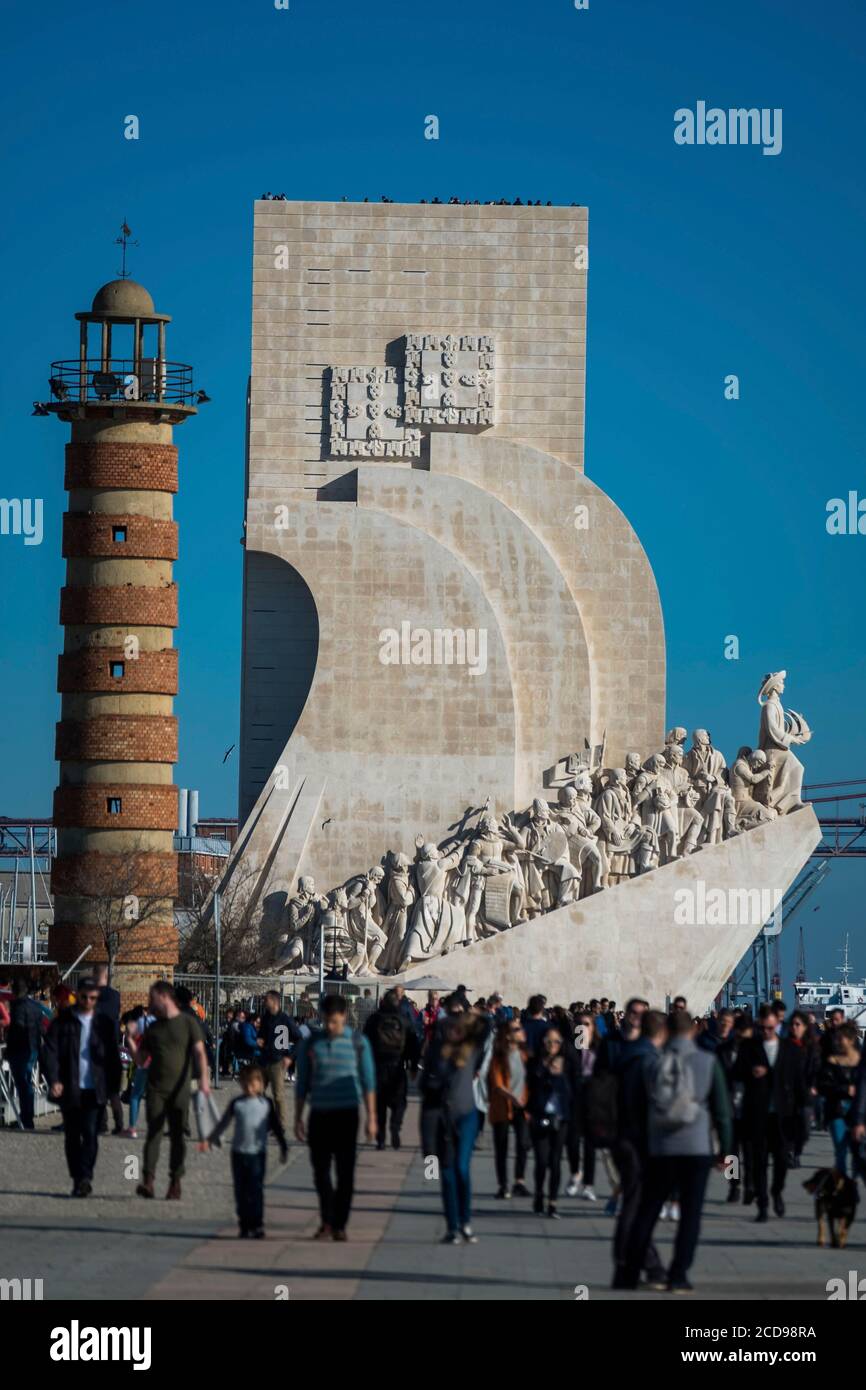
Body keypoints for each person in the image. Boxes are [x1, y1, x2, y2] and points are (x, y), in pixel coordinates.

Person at [623, 1009, 732, 1293]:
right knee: (690, 1215)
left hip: (660, 1148)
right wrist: (726, 1152)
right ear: (694, 1031)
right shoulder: (708, 1061)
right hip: (696, 1148)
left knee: (648, 1210)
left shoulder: (651, 1062)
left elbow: (636, 1108)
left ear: (667, 1031)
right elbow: (722, 1112)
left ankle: (633, 1271)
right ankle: (678, 1275)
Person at [294, 994, 376, 1241]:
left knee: (345, 1171)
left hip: (346, 1114)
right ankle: (326, 1219)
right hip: (319, 1113)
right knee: (320, 1171)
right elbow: (302, 1084)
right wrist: (298, 1117)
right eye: (327, 1021)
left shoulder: (358, 1042)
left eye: (335, 1022)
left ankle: (339, 1223)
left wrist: (372, 1117)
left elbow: (368, 1081)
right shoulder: (311, 1045)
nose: (330, 1027)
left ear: (344, 1017)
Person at [130, 980, 211, 1201]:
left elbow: (200, 1053)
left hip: (180, 1089)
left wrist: (204, 1079)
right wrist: (130, 1040)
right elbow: (141, 1059)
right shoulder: (153, 1027)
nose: (149, 1003)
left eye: (152, 998)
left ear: (164, 997)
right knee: (153, 1134)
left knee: (177, 1136)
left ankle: (175, 1181)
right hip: (156, 1088)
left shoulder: (187, 1023)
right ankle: (148, 1181)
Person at [43, 975, 122, 1197]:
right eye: (85, 997)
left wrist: (113, 1088)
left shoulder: (104, 1023)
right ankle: (77, 1177)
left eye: (93, 998)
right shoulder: (64, 1020)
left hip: (95, 1087)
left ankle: (85, 1177)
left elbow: (113, 1057)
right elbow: (50, 1050)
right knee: (71, 1135)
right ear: (78, 996)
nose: (88, 1001)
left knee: (90, 1133)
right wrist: (54, 1079)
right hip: (70, 1086)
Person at [420, 1003, 490, 1243]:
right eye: (450, 1030)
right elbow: (425, 1093)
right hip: (443, 1118)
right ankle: (452, 1226)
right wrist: (427, 1145)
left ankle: (465, 1221)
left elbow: (487, 1027)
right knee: (447, 1173)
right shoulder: (436, 1054)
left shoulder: (470, 1050)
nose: (454, 1033)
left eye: (457, 1030)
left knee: (462, 1168)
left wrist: (479, 1011)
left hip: (467, 1115)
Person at [610, 1008, 668, 1288]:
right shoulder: (648, 1060)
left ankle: (635, 1266)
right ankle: (631, 1265)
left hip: (624, 1138)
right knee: (636, 1207)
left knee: (635, 1204)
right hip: (638, 1141)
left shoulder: (628, 1053)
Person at [737, 1002, 807, 1222]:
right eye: (763, 1028)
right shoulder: (749, 1047)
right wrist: (750, 1071)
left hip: (782, 1116)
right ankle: (760, 1202)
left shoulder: (791, 1050)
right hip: (756, 1114)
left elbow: (799, 1083)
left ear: (777, 1024)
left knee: (780, 1162)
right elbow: (735, 1073)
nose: (767, 1032)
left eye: (770, 1028)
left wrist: (804, 1110)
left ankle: (776, 1191)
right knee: (757, 1162)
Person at [204, 1064, 288, 1238]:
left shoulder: (266, 1104)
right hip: (239, 1153)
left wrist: (283, 1147)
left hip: (258, 1153)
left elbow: (276, 1127)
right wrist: (210, 1139)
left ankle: (257, 1223)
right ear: (241, 1084)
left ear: (260, 1084)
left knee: (256, 1189)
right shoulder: (237, 1103)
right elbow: (223, 1123)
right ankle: (244, 1223)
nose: (249, 1087)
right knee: (240, 1190)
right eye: (245, 1084)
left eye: (253, 1083)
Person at [364, 988, 419, 1150]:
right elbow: (413, 1044)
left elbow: (365, 1043)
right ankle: (395, 1126)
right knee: (399, 1102)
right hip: (397, 1066)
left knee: (379, 1104)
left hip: (378, 1066)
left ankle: (381, 1139)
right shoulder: (403, 1020)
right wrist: (413, 1065)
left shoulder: (374, 1019)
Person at [527, 1027, 572, 1217]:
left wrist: (559, 1075)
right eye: (548, 1042)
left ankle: (552, 1202)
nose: (552, 1046)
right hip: (540, 1116)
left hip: (561, 1118)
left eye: (556, 1042)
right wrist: (545, 1071)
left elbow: (573, 1090)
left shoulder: (567, 1064)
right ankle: (539, 1193)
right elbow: (529, 1086)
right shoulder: (535, 1062)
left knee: (555, 1161)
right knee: (542, 1160)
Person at [488, 1018, 529, 1198]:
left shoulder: (525, 1055)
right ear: (508, 1034)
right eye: (517, 1029)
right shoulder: (498, 1057)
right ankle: (503, 1185)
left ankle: (519, 1181)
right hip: (503, 1106)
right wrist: (513, 1097)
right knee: (501, 1146)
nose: (521, 1031)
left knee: (523, 1143)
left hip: (522, 1107)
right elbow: (497, 1084)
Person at [817, 1021, 861, 1176]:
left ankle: (855, 1180)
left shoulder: (862, 1062)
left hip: (858, 1111)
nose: (837, 1042)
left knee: (859, 1153)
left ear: (850, 1040)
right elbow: (823, 1085)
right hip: (837, 1109)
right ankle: (844, 1185)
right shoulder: (832, 1061)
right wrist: (844, 1088)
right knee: (840, 1151)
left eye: (840, 1039)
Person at [565, 1011, 599, 1200]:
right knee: (572, 1141)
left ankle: (589, 1184)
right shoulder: (569, 1048)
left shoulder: (599, 1049)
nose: (583, 1028)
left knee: (590, 1145)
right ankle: (575, 1172)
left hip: (592, 1102)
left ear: (593, 1027)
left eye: (587, 1024)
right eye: (579, 1024)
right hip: (573, 1100)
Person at [257, 990, 299, 1138]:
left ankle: (280, 1125)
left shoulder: (285, 1019)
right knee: (258, 1092)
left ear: (274, 1001)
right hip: (264, 1060)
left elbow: (299, 1038)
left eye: (266, 1000)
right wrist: (260, 1040)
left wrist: (290, 1057)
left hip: (277, 1061)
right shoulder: (266, 1018)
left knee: (278, 1095)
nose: (263, 1002)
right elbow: (261, 1035)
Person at [6, 978, 45, 1130]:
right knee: (27, 1083)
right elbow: (40, 1027)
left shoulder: (18, 1007)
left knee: (23, 1084)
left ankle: (26, 1118)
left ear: (14, 992)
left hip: (20, 1050)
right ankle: (27, 1116)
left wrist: (10, 1049)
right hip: (33, 1048)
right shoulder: (36, 1007)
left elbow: (17, 1029)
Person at [94, 965, 124, 1135]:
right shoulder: (115, 996)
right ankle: (119, 1123)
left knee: (98, 1089)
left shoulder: (90, 996)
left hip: (97, 1047)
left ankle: (102, 1123)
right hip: (112, 1047)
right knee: (113, 1091)